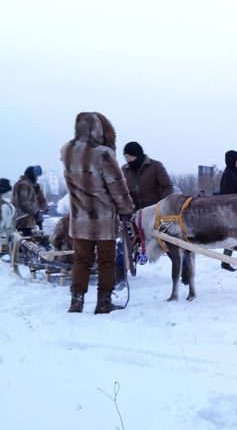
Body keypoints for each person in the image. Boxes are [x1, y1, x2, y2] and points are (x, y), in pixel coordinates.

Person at [61, 112, 134, 314]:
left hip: (79, 219)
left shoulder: (66, 150)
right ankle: (103, 302)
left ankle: (76, 301)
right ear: (97, 129)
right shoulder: (103, 153)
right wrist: (127, 209)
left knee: (81, 260)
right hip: (103, 220)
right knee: (106, 261)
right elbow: (117, 187)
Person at [121, 141, 173, 210]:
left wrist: (160, 205)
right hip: (133, 212)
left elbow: (167, 187)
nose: (128, 160)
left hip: (154, 210)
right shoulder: (124, 170)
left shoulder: (156, 166)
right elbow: (121, 191)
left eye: (130, 157)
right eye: (126, 157)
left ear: (138, 155)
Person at [219, 150, 237, 271]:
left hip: (236, 209)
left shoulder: (234, 173)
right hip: (231, 211)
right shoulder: (229, 174)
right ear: (232, 161)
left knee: (234, 237)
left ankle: (226, 261)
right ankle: (225, 261)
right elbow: (228, 194)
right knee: (233, 236)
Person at [12, 165, 48, 235]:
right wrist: (36, 212)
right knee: (27, 243)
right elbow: (23, 202)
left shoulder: (29, 185)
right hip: (23, 222)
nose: (37, 178)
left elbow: (37, 201)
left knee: (34, 241)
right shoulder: (23, 184)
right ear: (32, 175)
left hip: (28, 222)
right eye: (36, 176)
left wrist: (37, 190)